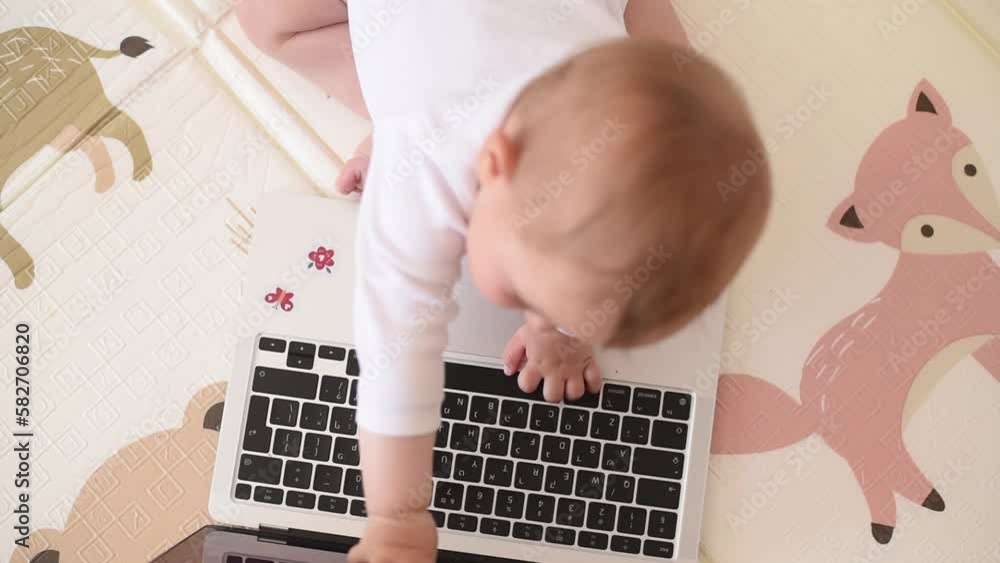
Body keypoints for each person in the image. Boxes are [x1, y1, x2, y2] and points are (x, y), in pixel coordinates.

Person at [237, 2, 771, 561]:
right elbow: (395, 357)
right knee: (266, 21)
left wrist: (563, 331)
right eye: (523, 292)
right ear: (492, 164)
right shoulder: (422, 172)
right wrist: (397, 520)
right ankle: (382, 114)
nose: (526, 310)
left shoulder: (617, 81)